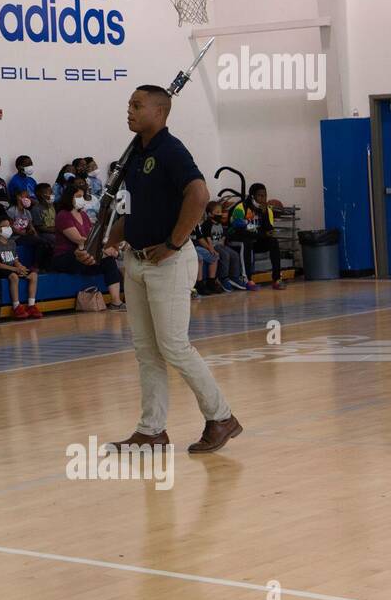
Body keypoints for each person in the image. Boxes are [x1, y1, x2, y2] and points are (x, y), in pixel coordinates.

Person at [82, 84, 241, 455]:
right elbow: (132, 213)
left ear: (160, 111)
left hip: (167, 262)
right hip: (135, 261)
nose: (130, 111)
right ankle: (151, 431)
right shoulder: (135, 155)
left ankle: (221, 417)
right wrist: (106, 242)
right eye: (129, 105)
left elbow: (199, 195)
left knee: (174, 346)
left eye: (137, 105)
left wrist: (172, 243)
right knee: (146, 350)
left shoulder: (170, 150)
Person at [52, 183, 125, 309]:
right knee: (104, 254)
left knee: (109, 262)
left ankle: (116, 301)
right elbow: (79, 239)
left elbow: (92, 237)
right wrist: (104, 250)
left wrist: (106, 249)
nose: (81, 199)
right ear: (70, 197)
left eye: (82, 196)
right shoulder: (63, 215)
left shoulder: (84, 215)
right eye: (78, 196)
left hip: (85, 255)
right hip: (66, 257)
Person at [230, 183, 286, 290]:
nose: (263, 198)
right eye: (260, 195)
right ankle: (247, 280)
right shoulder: (241, 208)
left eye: (265, 195)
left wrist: (264, 214)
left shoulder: (267, 210)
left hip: (255, 240)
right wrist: (261, 233)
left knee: (273, 241)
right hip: (237, 240)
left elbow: (269, 230)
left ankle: (277, 279)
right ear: (252, 196)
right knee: (246, 241)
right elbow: (240, 230)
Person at [0, 215, 41, 319]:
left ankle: (31, 305)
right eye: (5, 226)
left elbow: (15, 260)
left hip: (11, 268)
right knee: (13, 276)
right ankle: (16, 307)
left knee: (33, 275)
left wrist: (20, 267)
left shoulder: (12, 242)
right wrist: (15, 270)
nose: (8, 228)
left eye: (9, 226)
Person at [204, 201, 247, 290]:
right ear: (210, 214)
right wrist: (211, 248)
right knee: (225, 255)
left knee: (234, 255)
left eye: (221, 212)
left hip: (220, 245)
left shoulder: (219, 223)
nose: (220, 214)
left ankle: (234, 277)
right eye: (217, 212)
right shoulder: (207, 224)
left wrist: (223, 241)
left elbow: (223, 235)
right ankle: (223, 278)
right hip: (214, 246)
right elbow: (207, 237)